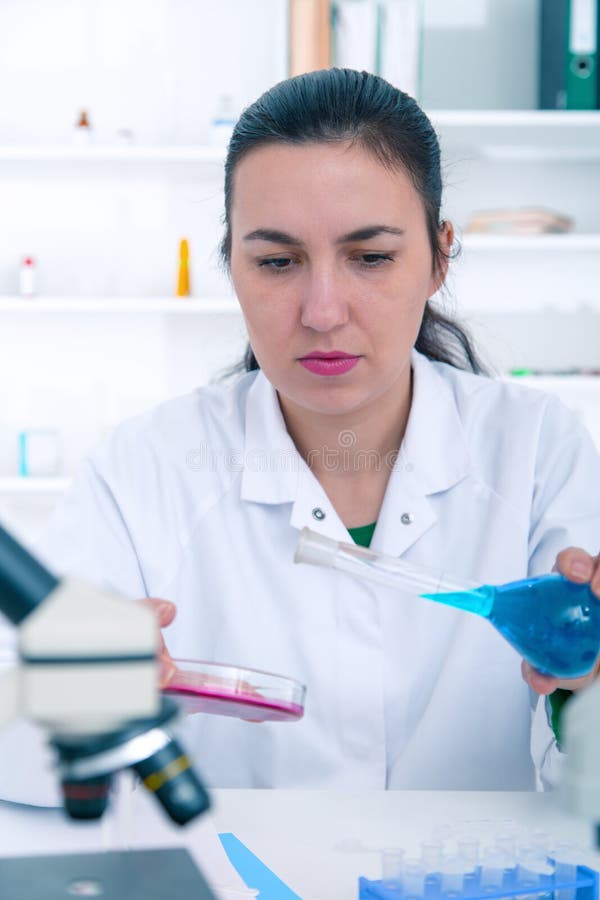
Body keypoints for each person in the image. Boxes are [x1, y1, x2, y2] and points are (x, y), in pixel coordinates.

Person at [15, 69, 600, 798]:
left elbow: (584, 775)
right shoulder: (143, 470)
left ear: (439, 257)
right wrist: (81, 700)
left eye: (371, 257)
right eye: (278, 262)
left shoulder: (536, 449)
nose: (323, 311)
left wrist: (586, 688)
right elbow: (21, 764)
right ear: (231, 265)